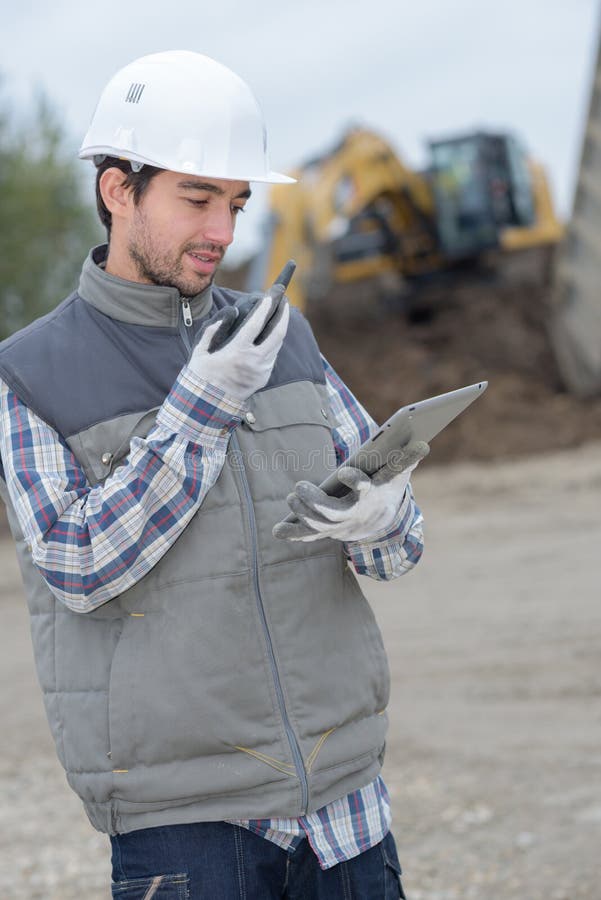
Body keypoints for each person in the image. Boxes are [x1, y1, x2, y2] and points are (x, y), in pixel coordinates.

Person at [0, 51, 428, 899]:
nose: (223, 233)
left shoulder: (286, 337)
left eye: (234, 203)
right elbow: (76, 564)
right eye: (197, 198)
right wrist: (196, 409)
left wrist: (385, 520)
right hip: (188, 830)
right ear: (118, 189)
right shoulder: (31, 374)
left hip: (347, 810)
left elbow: (397, 550)